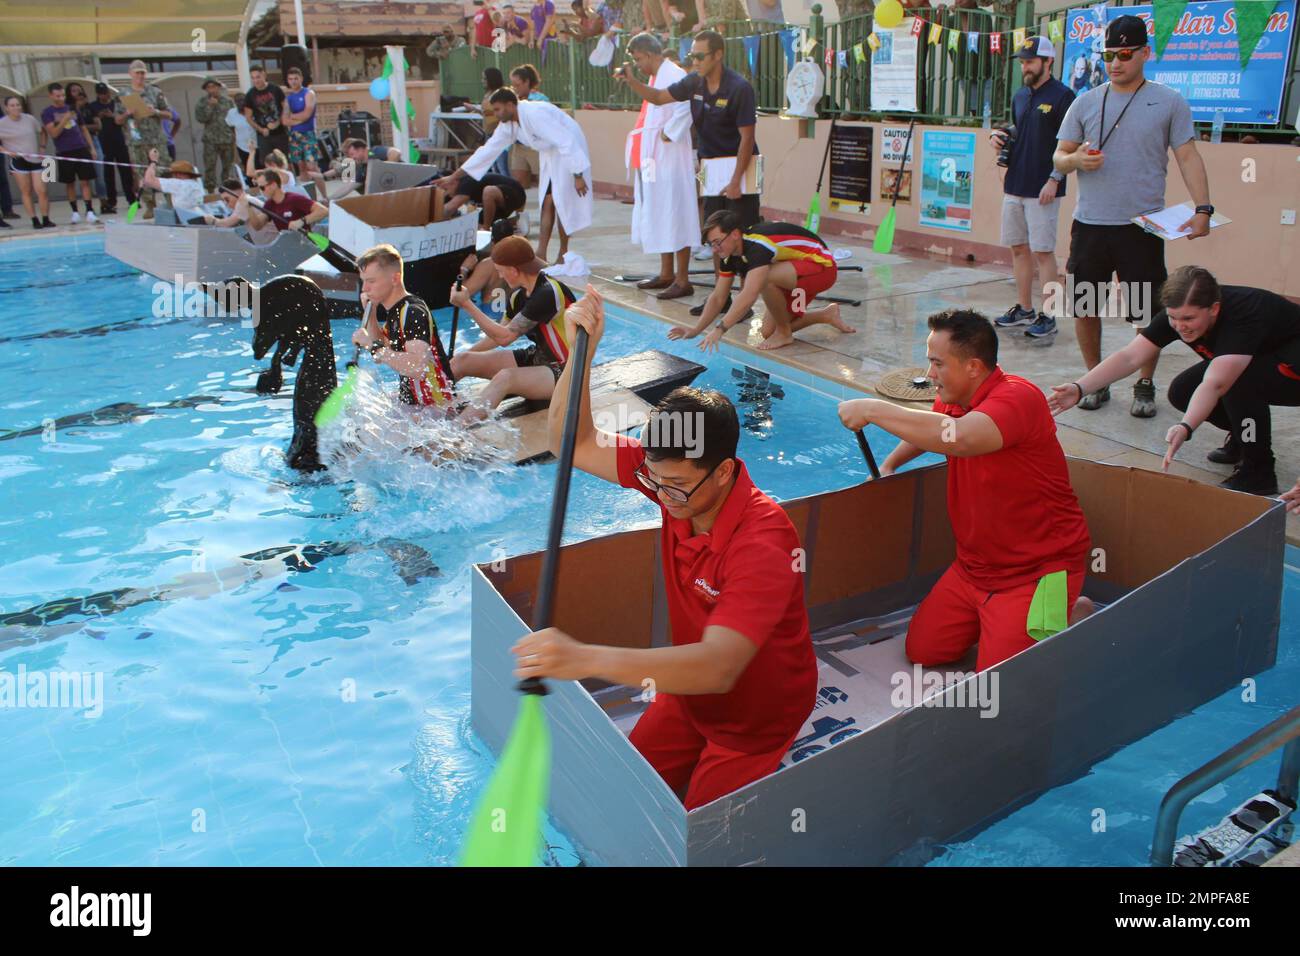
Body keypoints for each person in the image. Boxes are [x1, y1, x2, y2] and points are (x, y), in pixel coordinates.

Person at [513, 285, 818, 810]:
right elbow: (573, 442)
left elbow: (720, 667)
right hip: (687, 693)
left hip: (752, 714)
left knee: (695, 836)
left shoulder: (764, 541)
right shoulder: (668, 480)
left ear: (724, 471)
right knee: (625, 798)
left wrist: (584, 657)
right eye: (654, 481)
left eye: (675, 485)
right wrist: (577, 355)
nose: (661, 496)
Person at [838, 309, 1094, 673]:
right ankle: (1003, 624)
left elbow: (959, 437)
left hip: (1037, 571)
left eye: (936, 363)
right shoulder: (954, 397)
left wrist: (874, 408)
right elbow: (937, 428)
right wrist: (891, 464)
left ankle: (1068, 615)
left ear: (973, 367)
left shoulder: (1019, 399)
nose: (929, 375)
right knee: (923, 652)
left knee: (998, 682)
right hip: (974, 567)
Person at [1054, 14, 1213, 417]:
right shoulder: (1085, 101)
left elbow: (1188, 157)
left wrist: (1203, 209)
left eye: (1125, 54)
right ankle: (1095, 380)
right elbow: (1059, 156)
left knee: (1145, 312)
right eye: (1108, 54)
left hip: (1141, 228)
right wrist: (1075, 160)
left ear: (1145, 53)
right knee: (1085, 306)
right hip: (1091, 225)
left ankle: (1145, 382)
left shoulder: (1169, 101)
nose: (1115, 63)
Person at [1048, 266, 1300, 496]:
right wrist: (1080, 388)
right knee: (1183, 392)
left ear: (1214, 308)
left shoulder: (1243, 315)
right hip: (1263, 354)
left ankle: (1259, 471)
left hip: (1293, 364)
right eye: (1173, 318)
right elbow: (1130, 357)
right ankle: (1244, 437)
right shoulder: (1179, 312)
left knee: (1237, 382)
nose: (1181, 326)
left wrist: (1186, 426)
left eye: (1189, 319)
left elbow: (1216, 384)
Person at [618, 30, 760, 319]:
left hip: (742, 164)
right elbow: (658, 97)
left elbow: (747, 138)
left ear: (718, 55)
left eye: (700, 55)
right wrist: (632, 81)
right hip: (711, 165)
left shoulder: (739, 87)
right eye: (692, 55)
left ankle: (744, 301)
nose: (694, 60)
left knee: (741, 234)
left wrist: (735, 181)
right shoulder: (694, 81)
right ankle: (721, 299)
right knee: (715, 234)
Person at [435, 89, 593, 262]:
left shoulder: (534, 114)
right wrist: (454, 177)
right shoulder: (508, 125)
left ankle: (563, 252)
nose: (495, 114)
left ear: (510, 105)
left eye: (497, 109)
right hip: (550, 153)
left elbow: (565, 140)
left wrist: (577, 174)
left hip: (569, 151)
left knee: (562, 202)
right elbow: (487, 152)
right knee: (548, 202)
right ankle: (541, 252)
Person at [990, 35, 1074, 341]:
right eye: (1023, 61)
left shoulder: (1064, 97)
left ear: (1048, 61)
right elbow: (1018, 128)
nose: (1025, 66)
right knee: (1018, 248)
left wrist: (1055, 179)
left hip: (1043, 188)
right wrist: (999, 135)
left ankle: (1048, 314)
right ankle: (1024, 307)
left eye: (1030, 61)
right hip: (1015, 185)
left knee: (1043, 252)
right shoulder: (1020, 96)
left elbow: (1071, 144)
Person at [672, 211, 855, 351]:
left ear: (735, 234)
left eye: (717, 242)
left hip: (822, 270)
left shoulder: (758, 246)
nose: (714, 249)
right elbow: (718, 297)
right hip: (795, 275)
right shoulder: (729, 255)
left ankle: (784, 333)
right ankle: (825, 315)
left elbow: (749, 294)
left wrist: (720, 329)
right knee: (767, 332)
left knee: (763, 280)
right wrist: (696, 330)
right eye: (711, 244)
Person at [446, 234, 575, 423]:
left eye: (500, 271)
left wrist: (467, 304)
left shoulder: (548, 293)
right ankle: (421, 407)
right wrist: (463, 358)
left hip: (567, 372)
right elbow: (497, 333)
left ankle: (451, 434)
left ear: (514, 270)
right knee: (461, 360)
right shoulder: (518, 295)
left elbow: (504, 338)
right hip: (538, 359)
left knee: (505, 378)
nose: (499, 276)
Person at [620, 33, 699, 300]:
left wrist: (670, 132)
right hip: (655, 157)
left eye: (640, 59)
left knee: (677, 211)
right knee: (659, 211)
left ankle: (683, 278)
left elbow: (687, 105)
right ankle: (666, 273)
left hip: (672, 155)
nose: (639, 65)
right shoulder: (657, 76)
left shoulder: (674, 73)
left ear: (652, 54)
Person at [350, 244, 456, 410]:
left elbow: (417, 367)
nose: (364, 289)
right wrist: (371, 314)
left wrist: (372, 346)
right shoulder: (396, 312)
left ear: (394, 279)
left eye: (371, 281)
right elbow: (387, 351)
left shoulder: (412, 312)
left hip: (437, 409)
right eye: (363, 281)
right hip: (415, 404)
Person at [41, 83, 98, 224]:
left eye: (62, 95)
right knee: (69, 182)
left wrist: (92, 147)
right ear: (50, 96)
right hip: (64, 151)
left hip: (80, 148)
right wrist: (64, 119)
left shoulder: (72, 109)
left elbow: (83, 129)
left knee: (85, 180)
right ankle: (75, 212)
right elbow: (53, 133)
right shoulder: (47, 112)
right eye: (57, 96)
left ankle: (90, 210)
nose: (61, 98)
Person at [122, 60, 171, 218]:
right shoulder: (123, 94)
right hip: (136, 141)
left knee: (164, 169)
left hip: (156, 139)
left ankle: (170, 201)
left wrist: (155, 111)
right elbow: (116, 119)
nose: (140, 76)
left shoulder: (155, 92)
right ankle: (150, 205)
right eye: (137, 72)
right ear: (130, 74)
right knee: (141, 173)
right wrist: (126, 113)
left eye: (142, 72)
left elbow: (169, 114)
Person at [0, 95, 54, 229]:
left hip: (36, 159)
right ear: (6, 108)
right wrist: (6, 150)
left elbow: (42, 132)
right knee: (26, 191)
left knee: (42, 190)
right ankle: (34, 220)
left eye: (18, 104)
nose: (16, 107)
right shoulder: (2, 123)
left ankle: (46, 218)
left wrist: (42, 147)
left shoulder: (29, 119)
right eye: (12, 105)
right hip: (18, 161)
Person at [84, 83, 135, 214]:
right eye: (101, 93)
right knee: (108, 174)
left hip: (119, 140)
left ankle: (132, 199)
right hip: (103, 142)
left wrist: (112, 115)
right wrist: (99, 117)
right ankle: (111, 201)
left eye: (105, 93)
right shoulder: (93, 106)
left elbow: (124, 119)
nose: (104, 96)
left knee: (125, 171)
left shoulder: (116, 104)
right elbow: (88, 123)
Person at [245, 168, 327, 233]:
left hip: (305, 243)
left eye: (262, 187)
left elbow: (324, 211)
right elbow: (258, 226)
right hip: (288, 246)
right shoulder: (269, 204)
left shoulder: (294, 199)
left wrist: (301, 221)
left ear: (273, 185)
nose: (260, 191)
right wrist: (249, 207)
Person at [194, 78, 238, 194]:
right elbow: (201, 118)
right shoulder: (202, 102)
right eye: (209, 87)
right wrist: (210, 106)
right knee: (210, 167)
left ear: (218, 87)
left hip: (227, 139)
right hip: (210, 140)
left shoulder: (228, 101)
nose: (212, 89)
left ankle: (227, 190)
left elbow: (234, 118)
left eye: (214, 86)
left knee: (227, 167)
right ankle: (210, 191)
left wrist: (235, 136)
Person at [243, 66, 289, 167]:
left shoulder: (275, 89)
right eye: (253, 78)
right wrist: (261, 129)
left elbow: (286, 107)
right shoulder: (250, 95)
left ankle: (288, 182)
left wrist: (278, 122)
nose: (256, 80)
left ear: (264, 75)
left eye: (258, 77)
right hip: (264, 136)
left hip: (280, 133)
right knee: (266, 163)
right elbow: (248, 117)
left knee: (284, 162)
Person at [445, 171, 527, 227]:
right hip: (503, 202)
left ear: (454, 182)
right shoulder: (458, 189)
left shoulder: (465, 182)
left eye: (446, 189)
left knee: (488, 191)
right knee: (477, 224)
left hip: (515, 193)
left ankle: (486, 229)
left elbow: (450, 208)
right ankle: (514, 222)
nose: (446, 193)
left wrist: (433, 223)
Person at [140, 151, 206, 220]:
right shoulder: (195, 183)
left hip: (187, 219)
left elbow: (149, 180)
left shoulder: (178, 184)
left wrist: (153, 161)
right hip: (198, 214)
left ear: (179, 174)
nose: (173, 176)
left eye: (174, 174)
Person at [284, 67, 319, 176]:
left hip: (308, 134)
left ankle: (323, 193)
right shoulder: (288, 98)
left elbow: (307, 114)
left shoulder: (308, 93)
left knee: (312, 167)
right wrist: (299, 120)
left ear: (301, 79)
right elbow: (285, 120)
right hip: (294, 135)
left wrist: (292, 116)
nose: (293, 81)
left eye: (295, 78)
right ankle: (306, 192)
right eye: (290, 79)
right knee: (301, 167)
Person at [226, 92, 257, 170]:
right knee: (248, 168)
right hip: (242, 146)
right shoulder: (232, 113)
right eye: (237, 101)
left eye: (242, 100)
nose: (240, 103)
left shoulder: (255, 110)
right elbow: (230, 127)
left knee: (259, 167)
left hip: (257, 145)